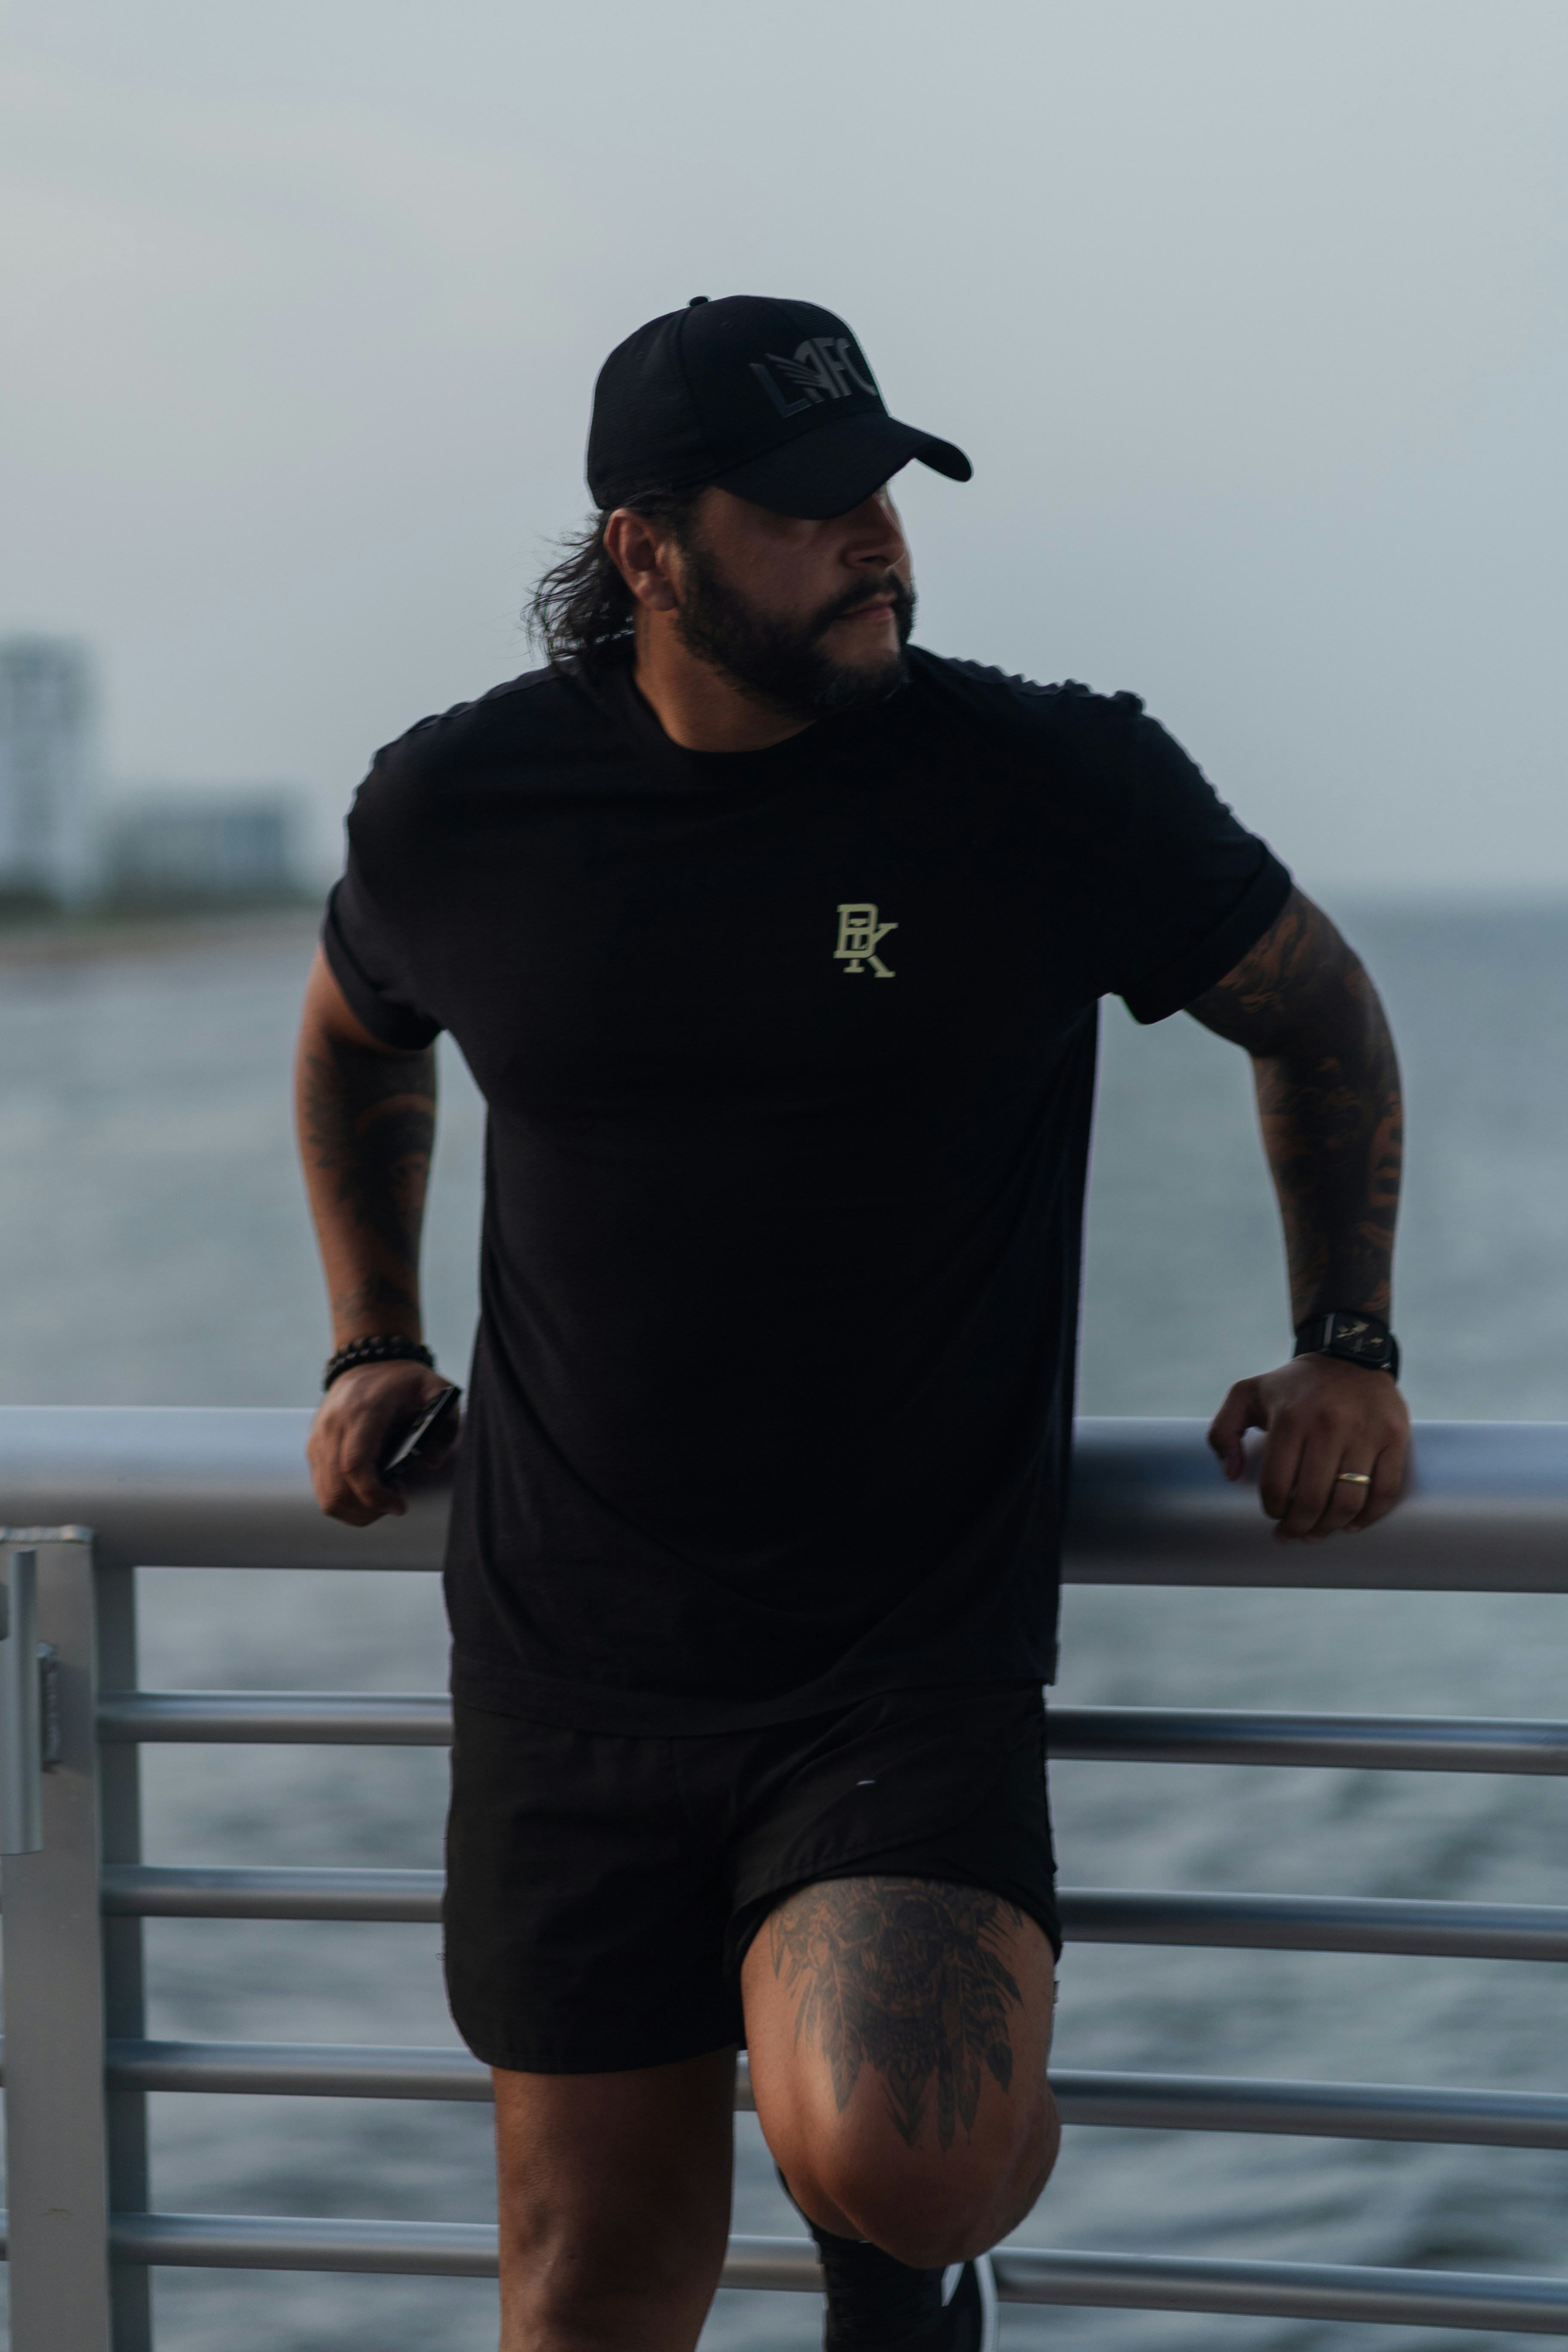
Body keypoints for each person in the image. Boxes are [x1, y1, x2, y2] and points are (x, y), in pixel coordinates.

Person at [295, 294, 1409, 2352]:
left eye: (889, 488)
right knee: (592, 2283)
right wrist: (371, 1335)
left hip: (896, 1665)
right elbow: (358, 1029)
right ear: (648, 548)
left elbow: (1316, 1003)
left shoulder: (1044, 781)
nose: (879, 538)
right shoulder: (466, 810)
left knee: (896, 2145)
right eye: (812, 509)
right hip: (567, 1659)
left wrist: (1348, 1333)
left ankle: (921, 2269)